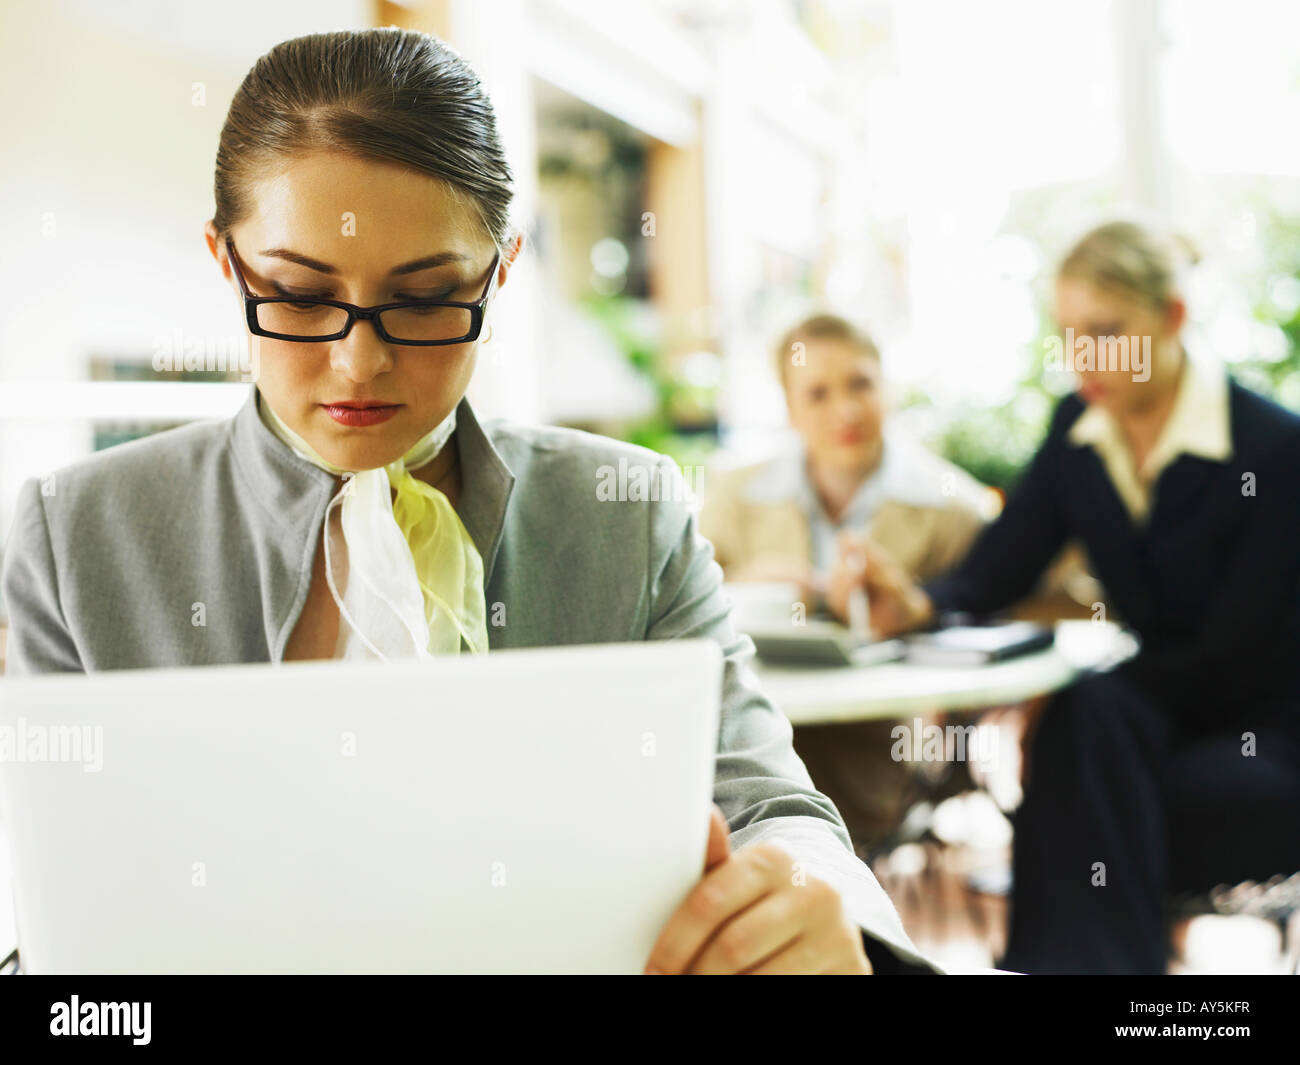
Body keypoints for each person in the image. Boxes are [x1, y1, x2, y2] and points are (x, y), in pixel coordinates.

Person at [0, 27, 940, 975]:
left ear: (502, 267)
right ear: (225, 260)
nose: (358, 361)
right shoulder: (74, 538)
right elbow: (63, 901)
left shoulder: (626, 512)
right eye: (296, 293)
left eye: (425, 298)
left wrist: (819, 903)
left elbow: (767, 803)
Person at [828, 219, 1300, 973]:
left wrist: (1094, 694)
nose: (1083, 357)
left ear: (1174, 318)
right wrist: (912, 603)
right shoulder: (1078, 429)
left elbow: (1234, 664)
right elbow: (993, 573)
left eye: (1106, 331)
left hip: (1265, 746)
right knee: (1087, 747)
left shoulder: (1274, 450)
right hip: (1146, 735)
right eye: (1069, 333)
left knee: (1083, 759)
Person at [700, 313, 994, 849]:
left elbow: (993, 605)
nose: (846, 409)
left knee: (793, 822)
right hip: (750, 724)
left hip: (879, 738)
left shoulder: (955, 506)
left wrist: (907, 607)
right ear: (791, 409)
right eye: (818, 393)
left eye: (860, 383)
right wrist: (746, 584)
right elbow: (687, 604)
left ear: (888, 388)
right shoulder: (734, 496)